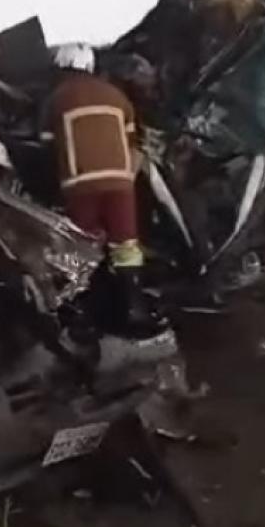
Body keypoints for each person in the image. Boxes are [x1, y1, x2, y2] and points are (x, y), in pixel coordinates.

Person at [41, 43, 166, 339]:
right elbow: (133, 141)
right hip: (121, 183)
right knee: (126, 245)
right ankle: (133, 308)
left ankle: (81, 313)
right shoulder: (118, 97)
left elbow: (45, 145)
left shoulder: (57, 98)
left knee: (82, 247)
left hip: (80, 183)